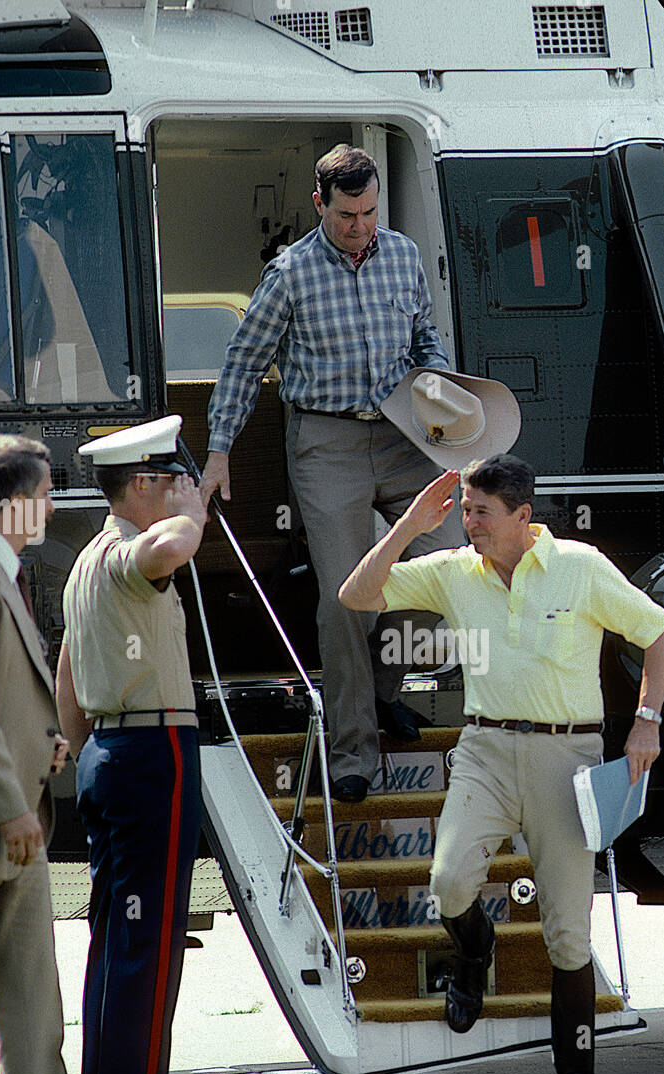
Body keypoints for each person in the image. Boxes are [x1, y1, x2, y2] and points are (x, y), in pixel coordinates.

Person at [339, 455, 664, 1074]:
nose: (468, 524)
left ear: (523, 516)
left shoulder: (579, 566)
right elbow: (356, 594)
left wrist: (647, 719)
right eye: (463, 510)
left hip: (566, 757)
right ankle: (472, 955)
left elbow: (658, 634)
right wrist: (409, 523)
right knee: (447, 881)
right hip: (486, 750)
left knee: (566, 937)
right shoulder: (453, 569)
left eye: (480, 513)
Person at [202, 142, 467, 802]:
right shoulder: (288, 273)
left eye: (370, 213)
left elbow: (425, 343)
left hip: (406, 432)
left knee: (451, 567)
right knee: (345, 595)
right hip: (326, 442)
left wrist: (446, 404)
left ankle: (380, 693)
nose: (361, 227)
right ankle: (351, 750)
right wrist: (217, 451)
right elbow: (242, 363)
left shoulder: (402, 255)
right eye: (348, 215)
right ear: (320, 204)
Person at [56, 416, 207, 1074]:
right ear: (144, 483)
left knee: (116, 940)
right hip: (152, 754)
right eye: (168, 478)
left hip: (110, 753)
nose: (178, 489)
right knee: (149, 944)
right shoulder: (128, 553)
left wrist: (85, 756)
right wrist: (196, 504)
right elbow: (174, 542)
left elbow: (67, 675)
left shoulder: (88, 557)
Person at [0, 435, 100, 1074]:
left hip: (20, 822)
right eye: (48, 491)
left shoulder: (10, 574)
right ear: (15, 501)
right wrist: (7, 805)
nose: (56, 506)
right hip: (5, 823)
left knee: (36, 1009)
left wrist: (46, 746)